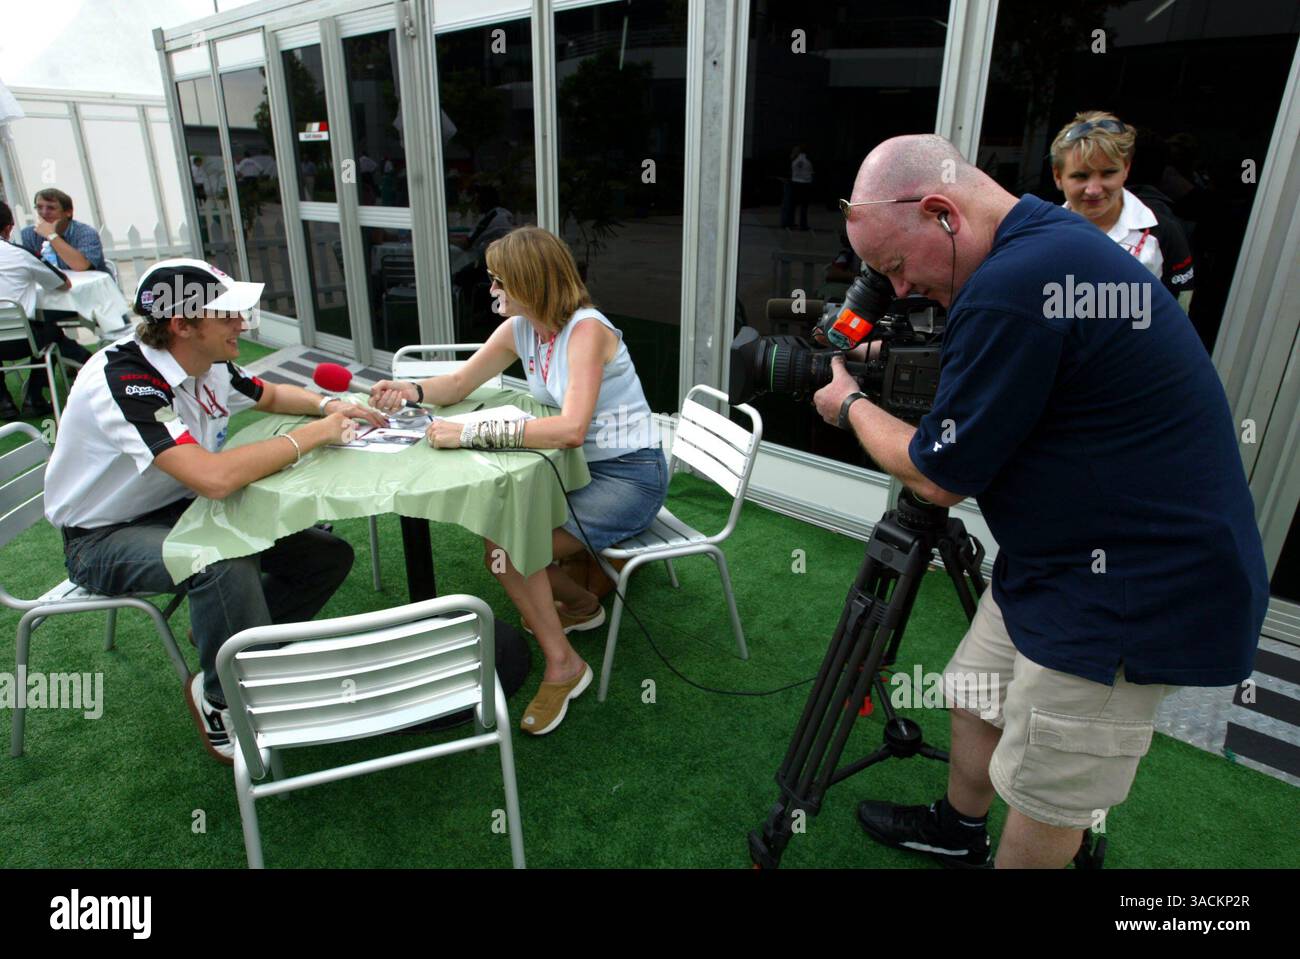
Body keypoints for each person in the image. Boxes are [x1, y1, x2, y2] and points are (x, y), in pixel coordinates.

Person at [814, 135, 1267, 868]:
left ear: (942, 214)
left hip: (1129, 587)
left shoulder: (1014, 284)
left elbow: (937, 474)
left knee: (1047, 787)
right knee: (974, 691)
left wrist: (852, 403)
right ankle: (959, 828)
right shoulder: (1038, 240)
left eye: (897, 267)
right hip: (1056, 555)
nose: (898, 291)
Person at [42, 257, 385, 764]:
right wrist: (317, 434)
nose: (241, 324)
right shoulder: (124, 379)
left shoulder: (206, 361)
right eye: (226, 314)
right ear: (182, 324)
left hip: (178, 511)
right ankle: (223, 696)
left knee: (326, 556)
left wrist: (327, 406)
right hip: (100, 538)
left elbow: (266, 393)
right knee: (219, 561)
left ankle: (226, 653)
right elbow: (214, 477)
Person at [370, 226, 668, 736]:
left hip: (630, 478)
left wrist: (469, 432)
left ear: (529, 282)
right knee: (502, 547)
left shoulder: (587, 331)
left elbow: (571, 430)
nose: (491, 290)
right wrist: (411, 388)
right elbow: (462, 381)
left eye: (498, 280)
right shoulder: (523, 327)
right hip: (582, 472)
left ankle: (565, 665)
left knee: (508, 549)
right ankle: (581, 603)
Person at [1050, 111, 1194, 312]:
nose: (1093, 189)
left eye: (1108, 173)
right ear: (1058, 176)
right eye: (1080, 176)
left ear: (1126, 168)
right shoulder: (1040, 231)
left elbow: (1179, 312)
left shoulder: (1163, 233)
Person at [0, 201, 70, 419]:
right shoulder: (19, 254)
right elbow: (62, 283)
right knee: (52, 331)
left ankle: (4, 403)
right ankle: (34, 397)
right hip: (24, 340)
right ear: (9, 227)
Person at [19, 188, 106, 273]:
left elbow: (81, 266)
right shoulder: (28, 234)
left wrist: (51, 235)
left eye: (51, 208)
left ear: (68, 212)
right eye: (39, 207)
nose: (44, 213)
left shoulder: (86, 233)